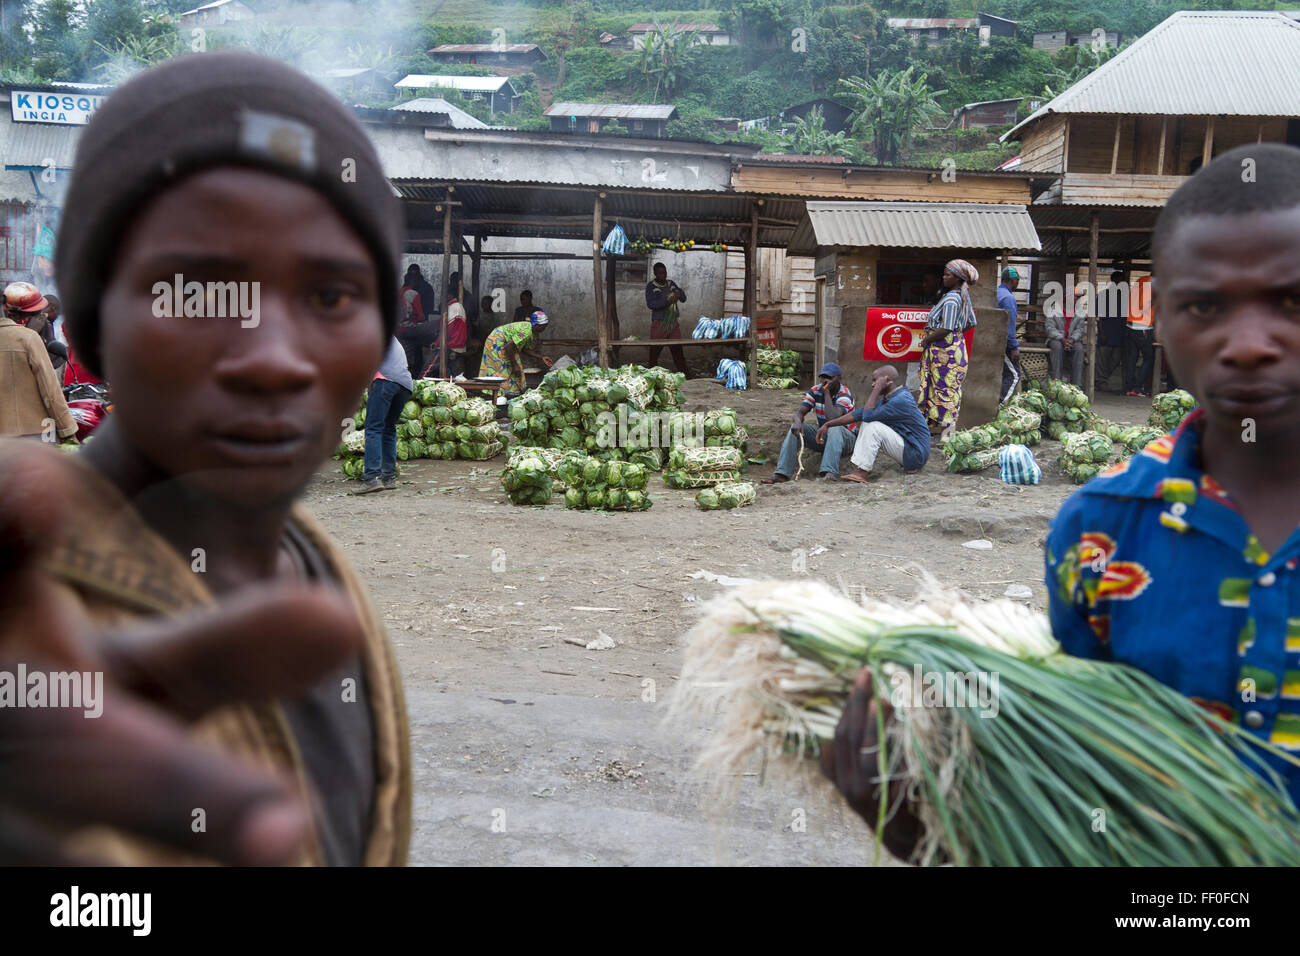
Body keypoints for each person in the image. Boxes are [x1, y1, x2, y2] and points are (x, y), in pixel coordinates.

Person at [822, 143, 1300, 856]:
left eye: (1290, 299)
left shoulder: (954, 307)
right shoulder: (1099, 531)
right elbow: (1086, 798)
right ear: (1162, 323)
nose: (1250, 343)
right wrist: (925, 827)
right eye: (1205, 304)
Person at [0, 52, 411, 865]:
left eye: (331, 296)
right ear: (87, 328)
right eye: (193, 289)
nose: (273, 358)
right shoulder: (28, 616)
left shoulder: (321, 576)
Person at [818, 365, 930, 483]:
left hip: (916, 454)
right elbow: (857, 414)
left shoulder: (900, 400)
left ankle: (862, 471)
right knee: (870, 421)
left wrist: (877, 390)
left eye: (875, 381)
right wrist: (828, 425)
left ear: (887, 381)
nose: (872, 385)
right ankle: (861, 469)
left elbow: (867, 416)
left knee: (872, 425)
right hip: (910, 451)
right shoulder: (891, 398)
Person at [0, 293, 78, 441]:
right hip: (31, 436)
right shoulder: (28, 338)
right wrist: (68, 431)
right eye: (38, 314)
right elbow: (50, 391)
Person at [761, 362, 856, 483]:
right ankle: (782, 473)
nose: (825, 380)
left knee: (834, 427)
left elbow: (833, 418)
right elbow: (799, 413)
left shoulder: (844, 394)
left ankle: (829, 473)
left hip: (846, 439)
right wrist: (797, 422)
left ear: (839, 378)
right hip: (825, 436)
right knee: (795, 428)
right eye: (823, 377)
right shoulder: (815, 390)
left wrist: (826, 393)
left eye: (830, 377)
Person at [917, 259, 978, 436]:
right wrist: (956, 339)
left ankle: (947, 435)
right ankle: (943, 433)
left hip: (945, 356)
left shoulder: (951, 299)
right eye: (944, 274)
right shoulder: (961, 296)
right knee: (946, 389)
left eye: (948, 274)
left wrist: (928, 340)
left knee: (946, 391)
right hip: (951, 352)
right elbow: (970, 322)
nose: (944, 277)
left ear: (958, 278)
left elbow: (947, 328)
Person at [357, 338, 412, 494]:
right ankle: (389, 478)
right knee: (388, 429)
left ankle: (371, 479)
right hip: (405, 385)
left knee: (373, 428)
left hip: (385, 381)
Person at [479, 309, 553, 394]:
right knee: (501, 367)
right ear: (537, 325)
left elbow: (525, 349)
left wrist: (542, 357)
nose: (545, 327)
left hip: (505, 343)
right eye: (544, 325)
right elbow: (508, 346)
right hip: (496, 341)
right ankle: (496, 394)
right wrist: (514, 365)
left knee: (515, 367)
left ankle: (511, 392)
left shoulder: (531, 331)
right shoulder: (527, 331)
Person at [645, 262, 689, 376]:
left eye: (664, 273)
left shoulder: (671, 284)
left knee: (678, 352)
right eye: (660, 273)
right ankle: (651, 376)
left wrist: (679, 293)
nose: (663, 275)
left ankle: (686, 376)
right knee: (654, 352)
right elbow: (651, 305)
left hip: (673, 323)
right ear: (655, 274)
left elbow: (683, 298)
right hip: (658, 323)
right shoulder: (651, 286)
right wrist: (667, 300)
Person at [397, 268, 439, 380]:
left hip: (398, 330)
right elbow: (421, 316)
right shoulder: (413, 294)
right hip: (410, 329)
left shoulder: (399, 292)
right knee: (435, 329)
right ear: (414, 281)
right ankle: (426, 374)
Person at [1046, 283, 1086, 387]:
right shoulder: (1054, 308)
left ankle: (1076, 385)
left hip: (1072, 340)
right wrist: (1062, 339)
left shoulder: (1079, 311)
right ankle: (1056, 384)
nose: (1077, 300)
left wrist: (1072, 340)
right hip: (1057, 339)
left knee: (1079, 349)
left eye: (1078, 298)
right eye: (1075, 297)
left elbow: (1080, 329)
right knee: (1057, 346)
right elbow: (1050, 328)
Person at [1124, 273, 1156, 397]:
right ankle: (1137, 388)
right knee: (1149, 358)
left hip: (1130, 324)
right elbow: (1144, 304)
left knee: (1132, 358)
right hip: (1143, 325)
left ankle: (1129, 388)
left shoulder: (1140, 280)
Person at [1095, 270, 1127, 391]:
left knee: (1116, 359)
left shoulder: (1125, 296)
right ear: (1113, 281)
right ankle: (1102, 381)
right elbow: (1099, 317)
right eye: (1118, 280)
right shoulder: (1103, 295)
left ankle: (1101, 379)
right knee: (1103, 359)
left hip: (1119, 333)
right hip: (1106, 331)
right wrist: (1102, 332)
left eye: (1122, 281)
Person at [996, 267, 1021, 403]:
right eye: (1017, 280)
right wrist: (1014, 347)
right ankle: (999, 406)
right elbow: (1009, 326)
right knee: (1014, 375)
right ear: (1013, 280)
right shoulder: (1008, 298)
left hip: (989, 340)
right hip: (1002, 343)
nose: (1018, 283)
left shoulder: (996, 293)